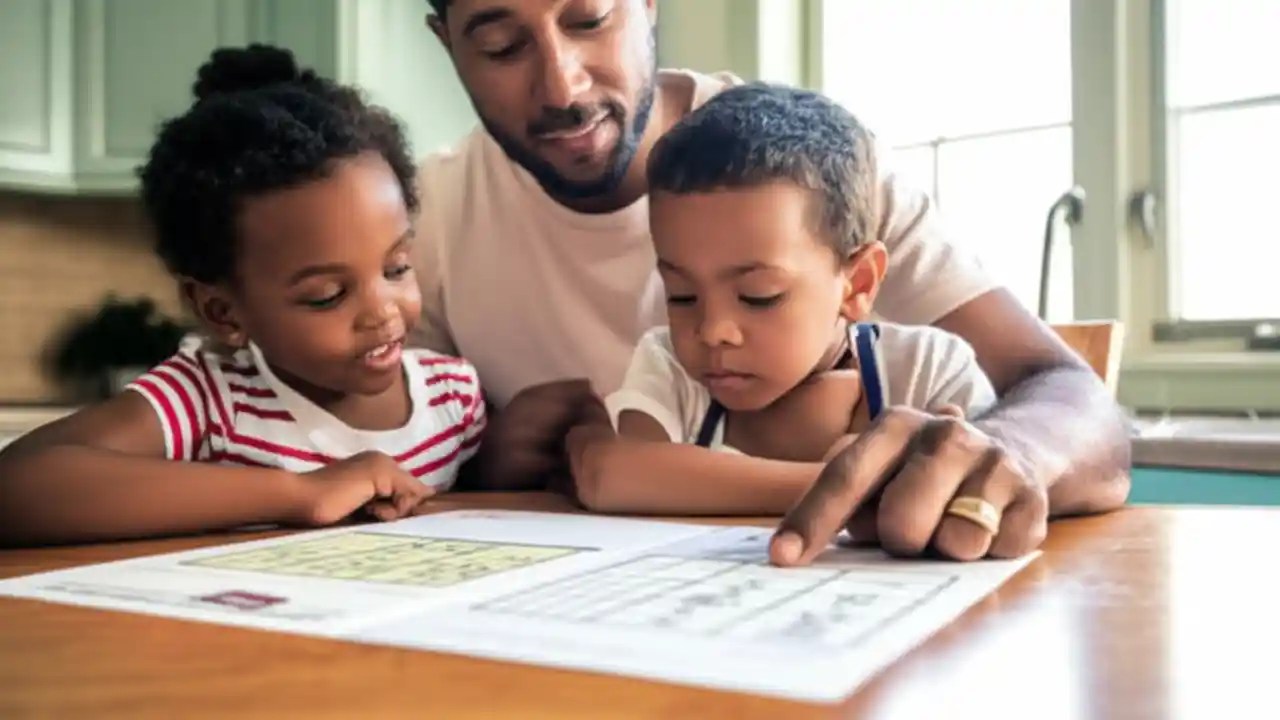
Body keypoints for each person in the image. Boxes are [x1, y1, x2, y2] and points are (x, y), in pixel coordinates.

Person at [416, 0, 1131, 561]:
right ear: (446, 43)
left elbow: (1073, 399)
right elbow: (352, 449)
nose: (561, 85)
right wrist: (476, 456)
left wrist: (995, 463)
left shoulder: (804, 169)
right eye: (501, 46)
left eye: (591, 19)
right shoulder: (421, 222)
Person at [0, 45, 489, 546]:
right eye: (327, 295)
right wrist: (298, 494)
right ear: (222, 311)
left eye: (396, 267)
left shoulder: (453, 398)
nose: (382, 310)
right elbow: (14, 489)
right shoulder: (211, 401)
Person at [566, 83, 998, 526]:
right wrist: (848, 484)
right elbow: (614, 475)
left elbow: (995, 483)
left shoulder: (928, 371)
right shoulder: (671, 370)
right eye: (682, 295)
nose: (713, 329)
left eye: (759, 296)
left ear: (857, 283)